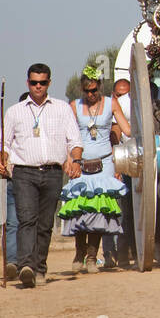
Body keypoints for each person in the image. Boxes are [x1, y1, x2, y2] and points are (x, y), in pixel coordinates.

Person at [0, 63, 82, 288]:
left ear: (49, 83)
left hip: (52, 173)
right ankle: (26, 266)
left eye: (42, 83)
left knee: (44, 225)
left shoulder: (62, 109)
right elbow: (3, 143)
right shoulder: (15, 111)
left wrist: (76, 160)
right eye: (34, 83)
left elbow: (75, 140)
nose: (38, 87)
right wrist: (2, 159)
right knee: (27, 220)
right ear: (27, 83)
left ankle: (40, 267)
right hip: (24, 173)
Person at [58, 67, 128, 274]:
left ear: (100, 87)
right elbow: (67, 136)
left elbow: (128, 129)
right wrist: (69, 161)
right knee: (80, 209)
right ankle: (79, 254)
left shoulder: (111, 104)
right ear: (81, 89)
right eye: (86, 91)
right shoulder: (74, 106)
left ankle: (91, 257)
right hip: (80, 163)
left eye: (94, 90)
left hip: (105, 164)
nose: (90, 94)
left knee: (98, 210)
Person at [0, 92, 29, 281]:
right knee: (12, 223)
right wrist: (0, 158)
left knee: (31, 224)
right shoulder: (7, 126)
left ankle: (29, 264)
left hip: (36, 180)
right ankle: (12, 263)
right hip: (12, 180)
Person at [109, 78, 138, 268]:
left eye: (126, 93)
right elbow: (116, 132)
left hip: (139, 159)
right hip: (123, 162)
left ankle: (136, 251)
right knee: (124, 210)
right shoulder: (113, 109)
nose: (122, 97)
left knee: (135, 210)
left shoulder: (134, 105)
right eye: (118, 95)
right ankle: (123, 252)